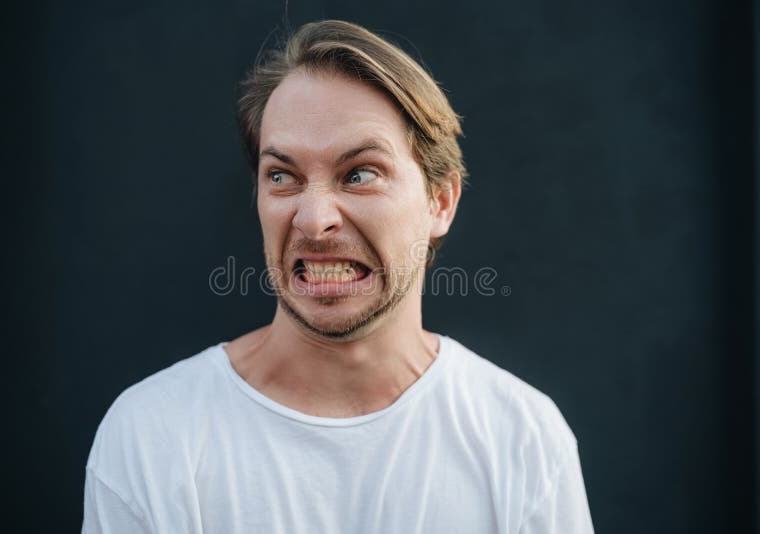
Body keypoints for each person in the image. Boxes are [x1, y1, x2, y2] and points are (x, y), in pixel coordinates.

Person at [82, 19, 595, 534]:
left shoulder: (524, 441)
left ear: (440, 202)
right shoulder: (152, 436)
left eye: (360, 174)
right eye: (282, 176)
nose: (313, 219)